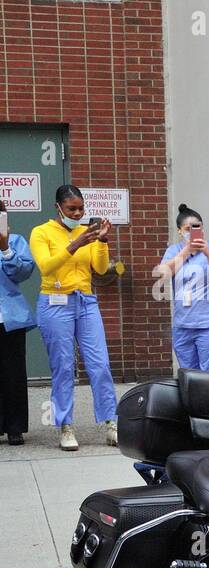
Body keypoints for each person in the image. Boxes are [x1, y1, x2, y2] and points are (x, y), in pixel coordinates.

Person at [29, 184, 118, 451]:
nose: (78, 213)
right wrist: (76, 243)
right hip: (55, 302)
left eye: (81, 208)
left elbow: (101, 269)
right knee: (64, 367)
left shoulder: (87, 233)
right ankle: (66, 425)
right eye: (72, 209)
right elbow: (46, 266)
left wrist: (101, 241)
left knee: (100, 364)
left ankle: (110, 422)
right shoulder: (41, 233)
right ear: (58, 207)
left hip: (86, 301)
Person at [155, 204, 209, 373]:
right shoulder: (173, 251)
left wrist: (208, 253)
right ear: (180, 231)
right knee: (188, 374)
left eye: (197, 227)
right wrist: (186, 251)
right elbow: (163, 274)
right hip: (183, 325)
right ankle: (191, 401)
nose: (192, 231)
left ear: (203, 228)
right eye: (187, 228)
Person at [0, 201, 37, 445]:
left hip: (9, 317)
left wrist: (5, 248)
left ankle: (15, 427)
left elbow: (23, 273)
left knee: (13, 373)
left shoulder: (16, 241)